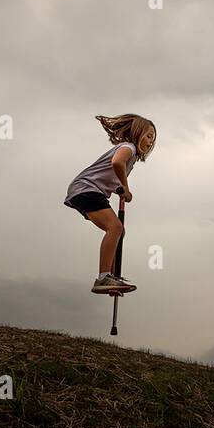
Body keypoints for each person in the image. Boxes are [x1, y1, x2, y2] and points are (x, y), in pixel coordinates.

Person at [64, 113, 156, 294]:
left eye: (153, 138)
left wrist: (119, 189)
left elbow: (110, 176)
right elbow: (117, 163)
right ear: (136, 133)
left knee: (118, 230)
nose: (150, 142)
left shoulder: (131, 157)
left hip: (86, 190)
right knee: (115, 227)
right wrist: (125, 186)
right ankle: (104, 277)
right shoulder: (128, 148)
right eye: (148, 136)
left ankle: (110, 277)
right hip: (86, 188)